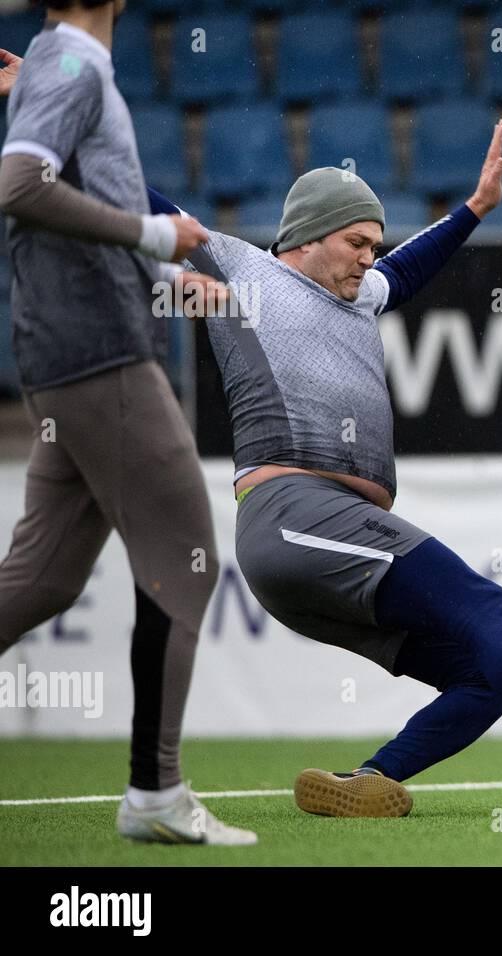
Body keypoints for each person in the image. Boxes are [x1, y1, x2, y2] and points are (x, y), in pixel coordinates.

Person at [147, 119, 502, 817]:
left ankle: (369, 780)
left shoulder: (360, 297)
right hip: (291, 517)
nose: (369, 257)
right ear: (306, 235)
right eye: (356, 242)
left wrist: (474, 209)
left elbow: (411, 268)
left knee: (485, 673)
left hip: (326, 540)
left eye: (374, 244)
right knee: (487, 606)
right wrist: (52, 106)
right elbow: (137, 194)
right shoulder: (243, 273)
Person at [0, 1, 253, 845]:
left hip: (70, 353)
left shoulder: (53, 64)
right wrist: (152, 235)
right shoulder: (70, 65)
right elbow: (18, 187)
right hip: (99, 357)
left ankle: (155, 793)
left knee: (41, 582)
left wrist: (156, 264)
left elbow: (50, 186)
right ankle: (155, 793)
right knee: (186, 562)